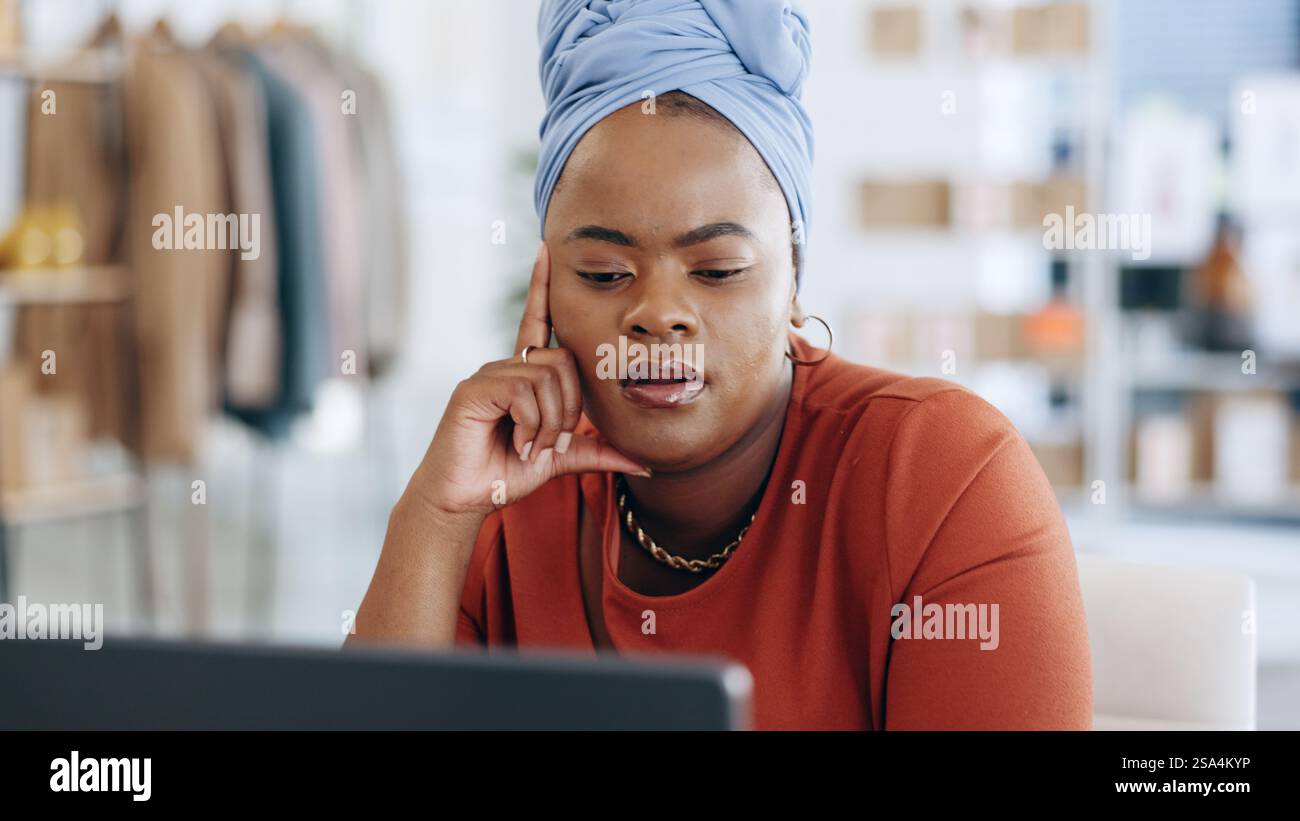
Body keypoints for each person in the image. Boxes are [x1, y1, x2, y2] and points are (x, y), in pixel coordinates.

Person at [349, 0, 1092, 730]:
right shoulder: (507, 498)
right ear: (546, 290)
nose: (658, 313)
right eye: (605, 273)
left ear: (794, 278)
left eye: (718, 269)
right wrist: (436, 515)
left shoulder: (942, 476)